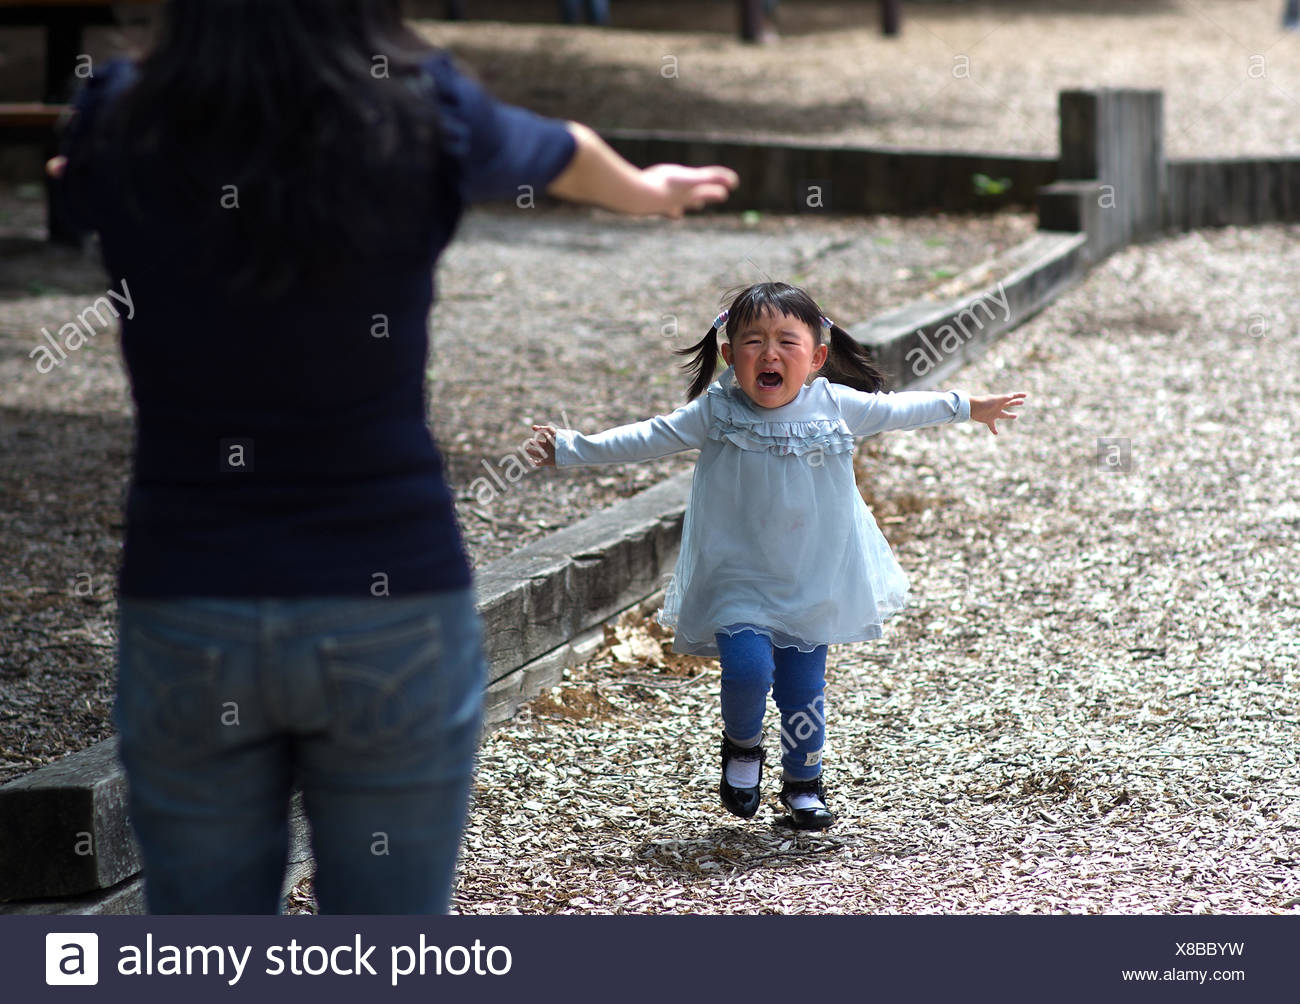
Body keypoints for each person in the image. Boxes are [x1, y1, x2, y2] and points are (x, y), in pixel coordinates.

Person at [46, 0, 737, 914]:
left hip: (189, 602)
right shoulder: (420, 107)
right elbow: (564, 150)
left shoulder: (124, 111)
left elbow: (72, 199)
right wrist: (654, 190)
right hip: (391, 596)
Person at [526, 282, 1024, 829]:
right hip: (738, 575)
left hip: (814, 575)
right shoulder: (718, 410)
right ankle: (742, 747)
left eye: (787, 342)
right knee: (745, 671)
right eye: (753, 341)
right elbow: (648, 436)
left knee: (802, 688)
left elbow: (901, 409)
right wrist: (572, 447)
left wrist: (968, 406)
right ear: (728, 354)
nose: (769, 353)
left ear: (815, 358)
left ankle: (804, 782)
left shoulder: (835, 405)